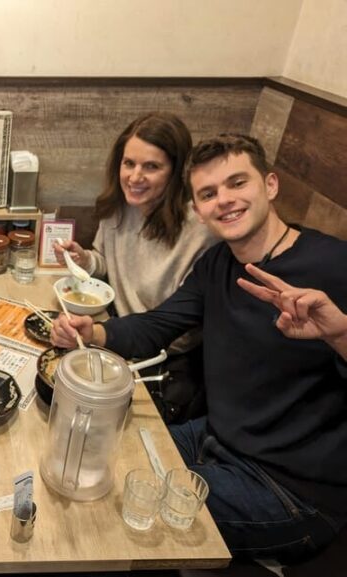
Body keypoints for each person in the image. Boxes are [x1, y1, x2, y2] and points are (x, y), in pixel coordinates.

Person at [52, 134, 347, 562]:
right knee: (103, 452)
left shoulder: (332, 264)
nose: (224, 200)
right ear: (199, 208)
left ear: (270, 185)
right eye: (208, 193)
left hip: (290, 487)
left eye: (237, 183)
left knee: (117, 507)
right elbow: (159, 325)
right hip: (217, 435)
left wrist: (339, 334)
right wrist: (93, 332)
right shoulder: (217, 264)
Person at [54, 112, 218, 422]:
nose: (134, 177)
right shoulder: (118, 207)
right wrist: (85, 261)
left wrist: (111, 338)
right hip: (113, 336)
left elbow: (180, 329)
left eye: (151, 167)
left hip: (161, 361)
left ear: (176, 172)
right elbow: (105, 265)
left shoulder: (200, 231)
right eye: (129, 164)